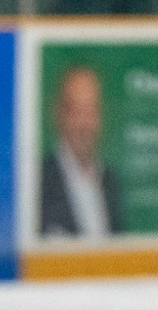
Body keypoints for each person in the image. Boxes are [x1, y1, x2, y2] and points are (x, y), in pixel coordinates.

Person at [39, 64, 122, 240]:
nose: (84, 124)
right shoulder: (38, 183)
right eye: (76, 111)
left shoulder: (110, 182)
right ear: (58, 114)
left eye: (91, 111)